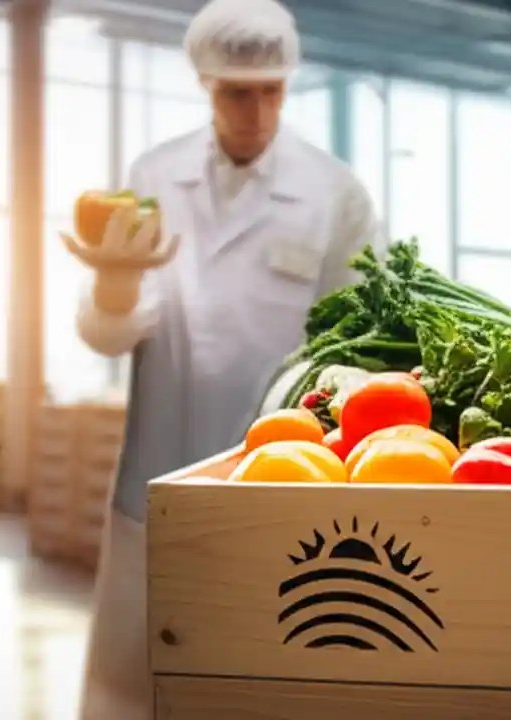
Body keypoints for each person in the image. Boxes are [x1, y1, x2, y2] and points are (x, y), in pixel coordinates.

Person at [62, 0, 386, 717]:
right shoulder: (153, 174)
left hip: (280, 471)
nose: (257, 109)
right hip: (159, 455)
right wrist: (112, 284)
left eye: (272, 89)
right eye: (238, 91)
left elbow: (364, 344)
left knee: (264, 674)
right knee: (131, 677)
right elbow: (107, 338)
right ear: (206, 83)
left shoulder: (335, 193)